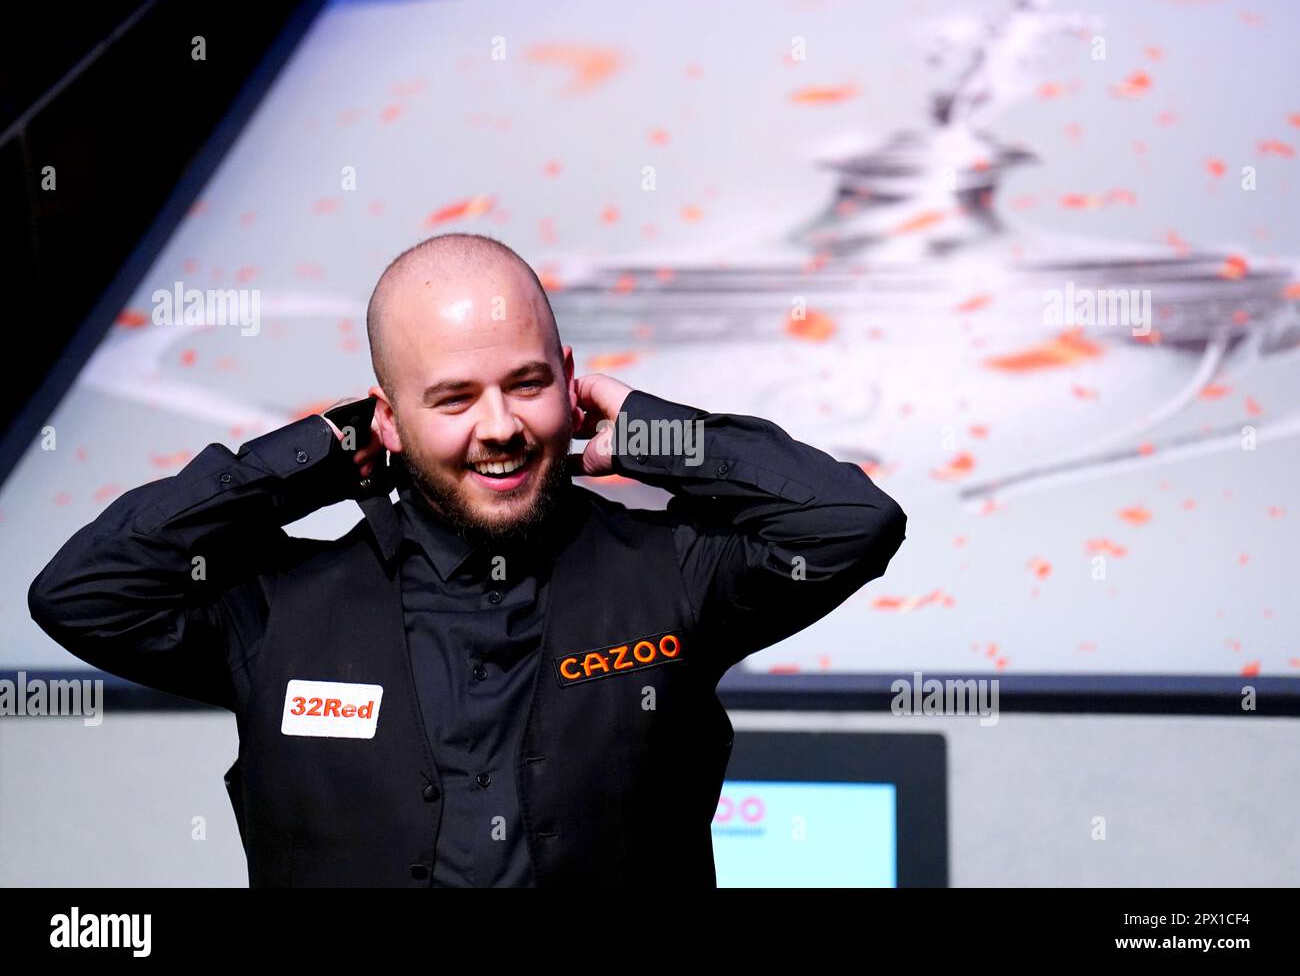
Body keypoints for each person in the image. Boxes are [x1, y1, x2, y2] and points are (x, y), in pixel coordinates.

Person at [28, 232, 908, 887]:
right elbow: (82, 591)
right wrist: (314, 454)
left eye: (526, 383)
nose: (500, 426)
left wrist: (649, 431)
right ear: (389, 418)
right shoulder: (279, 610)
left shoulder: (670, 575)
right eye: (452, 398)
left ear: (570, 380)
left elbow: (850, 523)